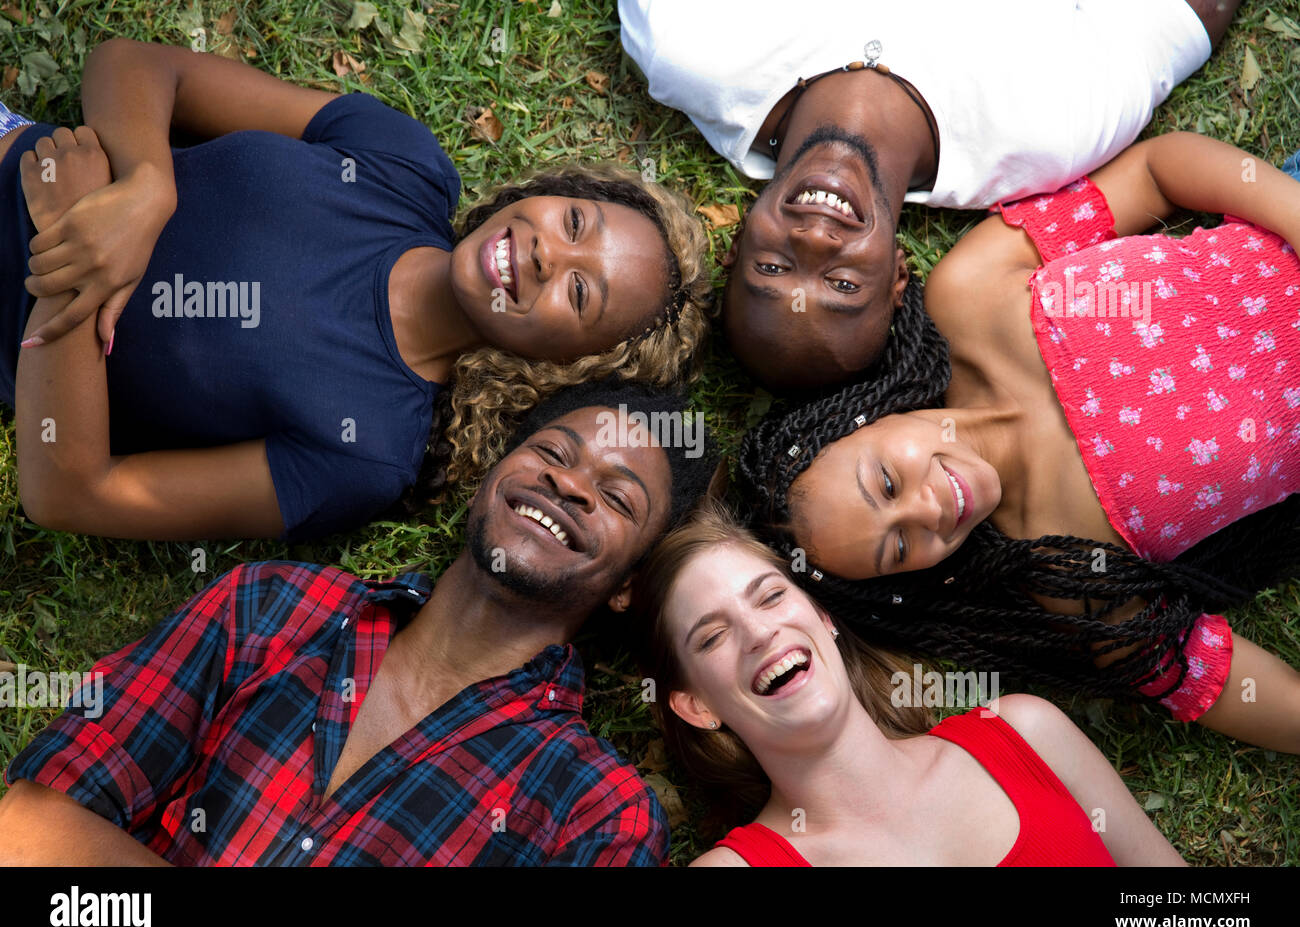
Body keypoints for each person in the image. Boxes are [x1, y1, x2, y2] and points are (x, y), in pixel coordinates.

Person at [2, 38, 710, 542]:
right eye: (574, 221)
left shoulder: (363, 451)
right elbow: (137, 63)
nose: (547, 253)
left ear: (568, 364)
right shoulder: (402, 163)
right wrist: (144, 191)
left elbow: (73, 491)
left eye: (581, 293)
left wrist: (66, 254)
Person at [736, 131, 1300, 753]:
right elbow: (1210, 682)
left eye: (887, 484)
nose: (925, 512)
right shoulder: (1071, 574)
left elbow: (1156, 173)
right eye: (898, 546)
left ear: (858, 421)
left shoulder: (968, 294)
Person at [0, 378, 716, 865]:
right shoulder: (271, 606)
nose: (570, 485)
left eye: (617, 500)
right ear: (488, 475)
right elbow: (29, 832)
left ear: (628, 587)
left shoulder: (594, 814)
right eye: (553, 453)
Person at [619, 0, 1239, 390]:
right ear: (897, 277)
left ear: (734, 245)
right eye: (841, 285)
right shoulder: (1049, 128)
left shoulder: (691, 50)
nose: (812, 239)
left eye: (774, 267)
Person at [633, 501, 1185, 866]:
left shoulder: (1025, 732)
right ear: (695, 705)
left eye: (771, 596)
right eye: (712, 637)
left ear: (823, 618)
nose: (758, 632)